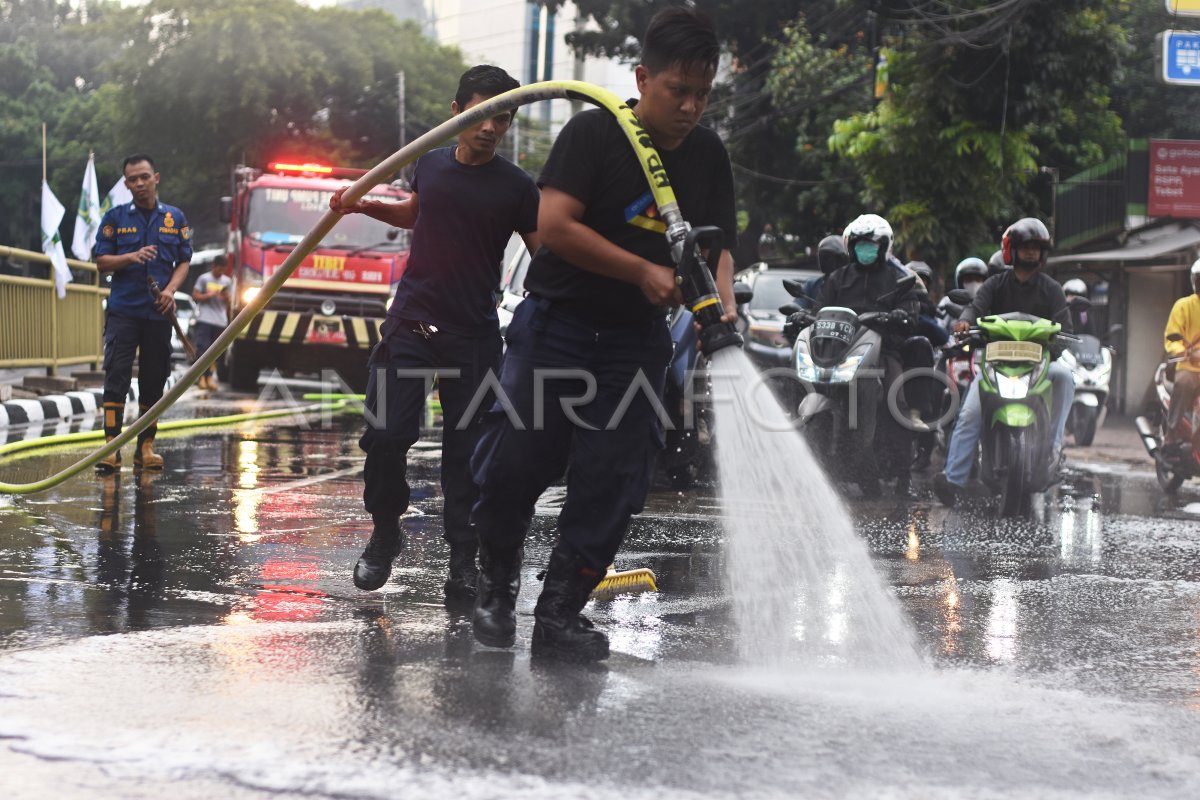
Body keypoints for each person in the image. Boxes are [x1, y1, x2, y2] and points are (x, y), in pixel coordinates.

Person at [468, 6, 737, 662]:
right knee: (517, 462)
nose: (692, 108)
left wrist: (720, 320)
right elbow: (554, 227)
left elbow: (719, 251)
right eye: (679, 91)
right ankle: (497, 585)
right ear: (643, 78)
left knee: (614, 480)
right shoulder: (594, 135)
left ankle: (560, 610)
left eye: (703, 94)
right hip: (556, 326)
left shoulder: (707, 157)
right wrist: (640, 269)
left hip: (632, 341)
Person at [329, 65, 540, 600]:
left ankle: (462, 563)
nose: (491, 127)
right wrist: (364, 204)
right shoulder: (430, 163)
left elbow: (544, 255)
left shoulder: (517, 188)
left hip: (473, 337)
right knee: (384, 437)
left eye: (504, 118)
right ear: (456, 112)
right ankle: (384, 534)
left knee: (466, 457)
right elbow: (417, 213)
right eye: (482, 114)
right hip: (410, 326)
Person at [934, 218, 1074, 506]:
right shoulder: (994, 285)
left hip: (1038, 366)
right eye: (1026, 247)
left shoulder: (1052, 289)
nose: (1031, 252)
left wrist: (1062, 339)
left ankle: (1053, 447)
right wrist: (963, 322)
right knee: (970, 412)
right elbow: (974, 308)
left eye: (1036, 247)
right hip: (994, 366)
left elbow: (1066, 325)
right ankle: (953, 477)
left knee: (1066, 377)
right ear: (1013, 250)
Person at [94, 154, 192, 471]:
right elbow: (102, 261)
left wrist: (170, 291)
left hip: (158, 314)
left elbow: (184, 261)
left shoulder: (175, 218)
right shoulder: (115, 217)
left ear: (156, 178)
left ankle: (145, 447)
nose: (139, 183)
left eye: (144, 177)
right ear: (126, 183)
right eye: (133, 179)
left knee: (154, 379)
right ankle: (111, 447)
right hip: (124, 310)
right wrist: (132, 256)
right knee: (117, 375)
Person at [1162, 259, 1200, 457]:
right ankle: (1172, 432)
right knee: (1184, 383)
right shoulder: (1183, 305)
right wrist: (1183, 350)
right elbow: (1172, 335)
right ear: (1195, 281)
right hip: (1188, 365)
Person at [190, 254, 232, 391]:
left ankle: (210, 378)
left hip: (220, 321)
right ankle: (201, 377)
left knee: (216, 352)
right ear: (213, 266)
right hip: (205, 319)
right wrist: (208, 295)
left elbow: (230, 302)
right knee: (203, 349)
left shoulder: (227, 281)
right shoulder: (204, 278)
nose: (221, 272)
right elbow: (195, 295)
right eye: (219, 269)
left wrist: (226, 297)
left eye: (223, 270)